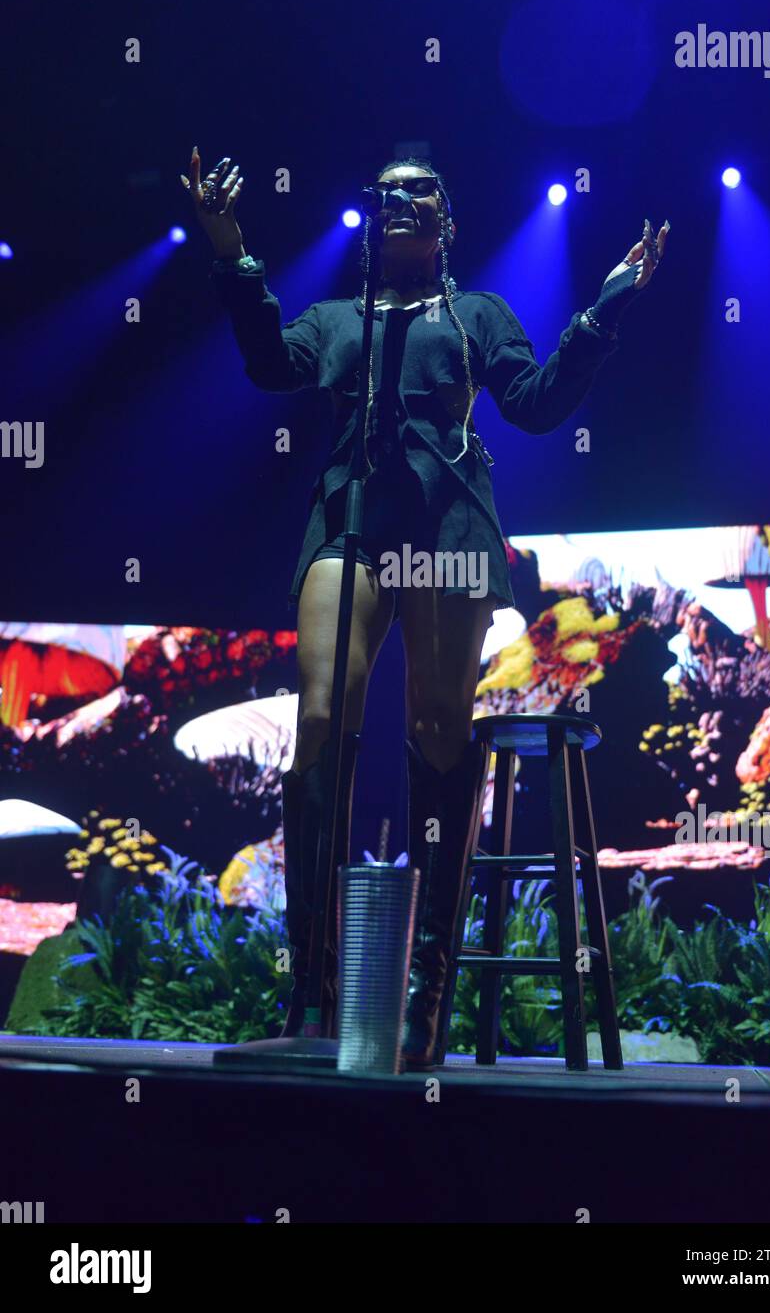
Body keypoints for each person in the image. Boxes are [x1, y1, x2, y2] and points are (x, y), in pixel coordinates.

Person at [181, 146, 669, 1067]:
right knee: (322, 716)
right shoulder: (335, 320)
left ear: (445, 222)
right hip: (350, 522)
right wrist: (231, 249)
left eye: (420, 194)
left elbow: (532, 406)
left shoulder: (475, 314)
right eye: (388, 194)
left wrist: (604, 308)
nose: (400, 202)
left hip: (447, 528)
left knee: (440, 721)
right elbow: (265, 365)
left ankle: (422, 1004)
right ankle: (312, 998)